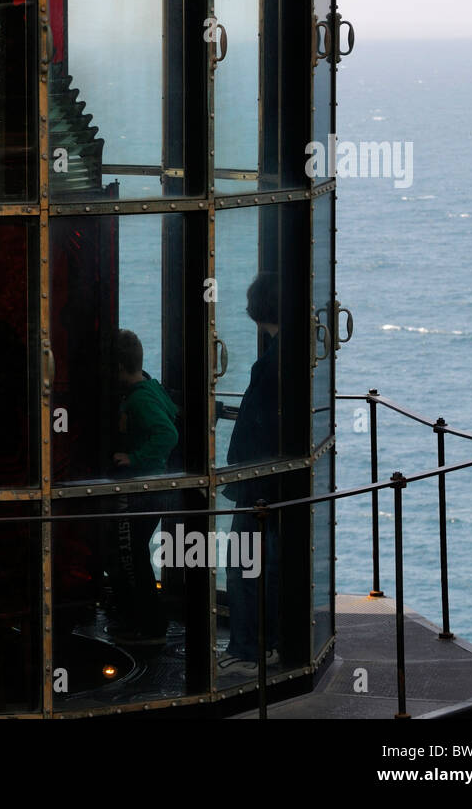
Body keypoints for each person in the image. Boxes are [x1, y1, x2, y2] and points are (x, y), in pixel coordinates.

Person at [219, 272, 283, 676]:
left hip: (258, 484)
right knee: (268, 565)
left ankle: (247, 651)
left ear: (255, 311)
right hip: (276, 483)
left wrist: (240, 474)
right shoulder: (288, 355)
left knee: (243, 564)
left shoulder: (270, 364)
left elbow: (257, 427)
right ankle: (270, 643)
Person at [102, 329, 178, 645]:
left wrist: (132, 457)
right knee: (133, 554)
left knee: (130, 556)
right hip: (156, 490)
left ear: (118, 367)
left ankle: (147, 626)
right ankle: (146, 621)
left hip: (146, 490)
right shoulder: (151, 388)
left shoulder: (139, 399)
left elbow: (167, 434)